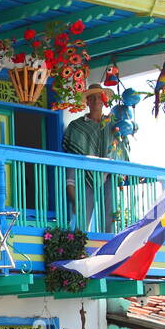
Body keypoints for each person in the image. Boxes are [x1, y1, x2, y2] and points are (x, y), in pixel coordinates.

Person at [63, 84, 116, 229]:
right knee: (82, 219)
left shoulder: (112, 124)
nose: (96, 101)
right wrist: (73, 194)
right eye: (92, 98)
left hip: (108, 175)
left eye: (99, 97)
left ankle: (110, 246)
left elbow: (120, 146)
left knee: (111, 217)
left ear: (104, 100)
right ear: (87, 101)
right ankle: (80, 248)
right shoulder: (77, 126)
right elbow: (72, 157)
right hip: (85, 177)